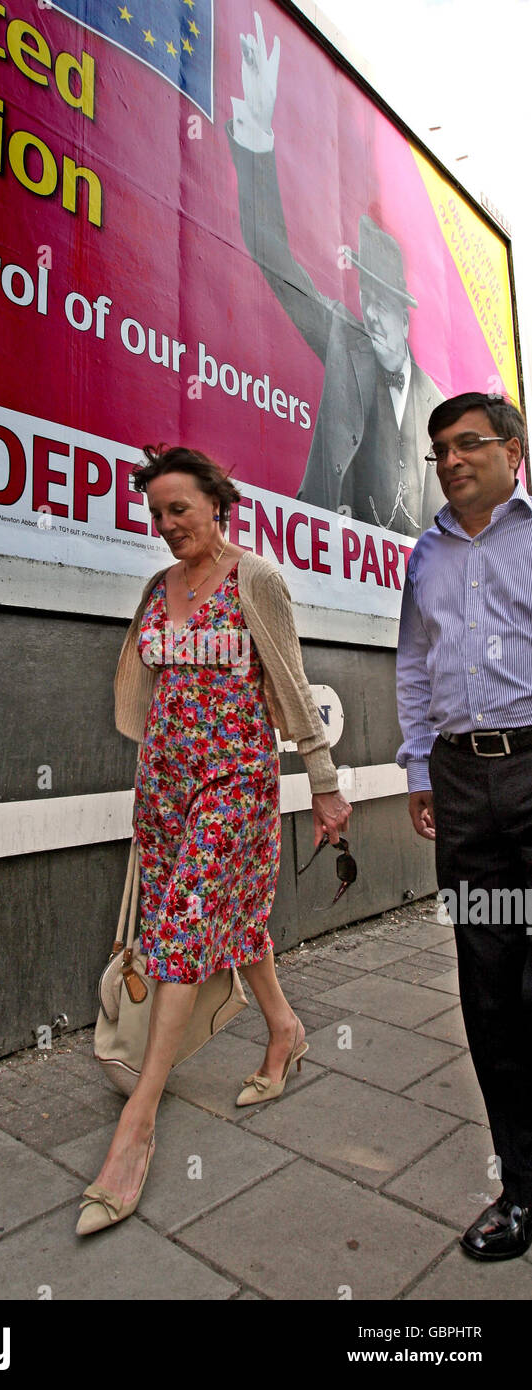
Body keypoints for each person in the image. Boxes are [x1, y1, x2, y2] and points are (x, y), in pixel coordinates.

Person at [76, 444, 351, 1235]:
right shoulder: (157, 587)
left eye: (179, 511)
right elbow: (147, 675)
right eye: (156, 513)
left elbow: (290, 683)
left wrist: (323, 782)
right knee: (227, 921)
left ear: (216, 505)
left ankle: (136, 1130)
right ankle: (285, 1031)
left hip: (234, 779)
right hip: (164, 783)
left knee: (183, 931)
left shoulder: (254, 579)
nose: (166, 527)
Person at [396, 391, 532, 1260]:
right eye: (438, 449)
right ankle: (519, 1188)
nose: (449, 459)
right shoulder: (425, 556)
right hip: (460, 785)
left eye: (468, 443)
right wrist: (416, 766)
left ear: (513, 453)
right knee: (487, 983)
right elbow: (412, 661)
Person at [227, 11, 445, 535]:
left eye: (384, 303)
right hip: (332, 568)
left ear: (406, 317)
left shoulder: (439, 407)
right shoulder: (344, 340)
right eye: (367, 297)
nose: (371, 312)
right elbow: (272, 254)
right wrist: (258, 129)